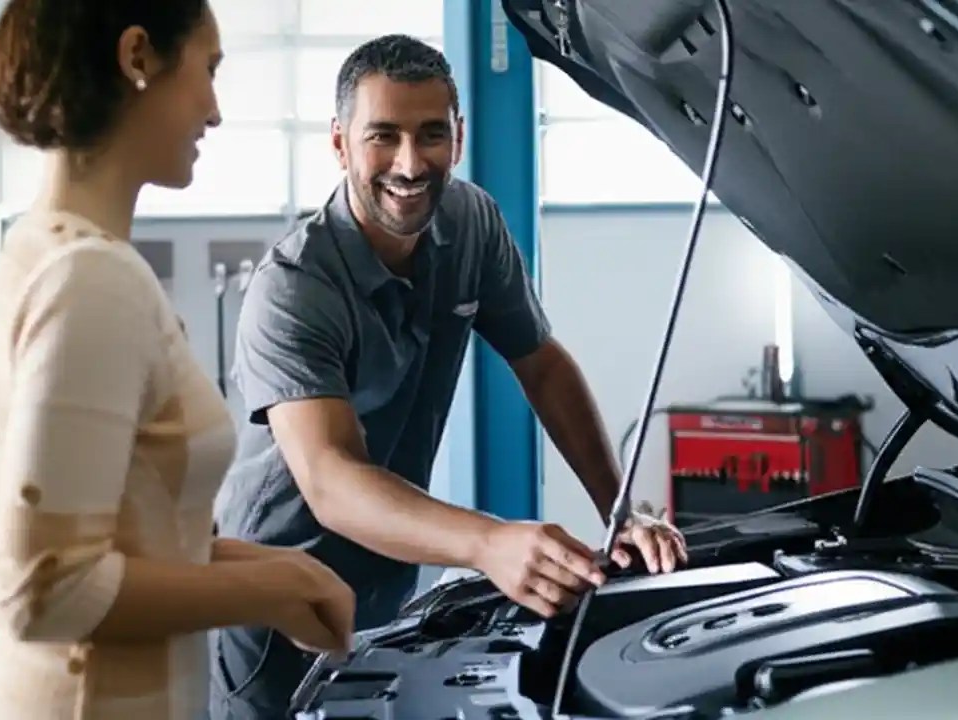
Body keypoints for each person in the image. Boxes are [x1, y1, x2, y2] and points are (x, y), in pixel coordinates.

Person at [209, 34, 689, 718]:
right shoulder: (294, 288)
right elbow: (331, 482)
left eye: (431, 134)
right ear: (341, 146)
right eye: (384, 136)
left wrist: (621, 511)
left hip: (391, 590)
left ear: (458, 138)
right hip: (276, 609)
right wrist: (487, 542)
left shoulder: (471, 223)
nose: (410, 163)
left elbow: (543, 365)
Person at [0, 2, 354, 718]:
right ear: (138, 57)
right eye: (209, 69)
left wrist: (286, 566)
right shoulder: (91, 279)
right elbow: (44, 589)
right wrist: (272, 592)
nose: (215, 110)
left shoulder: (39, 248)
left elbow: (130, 542)